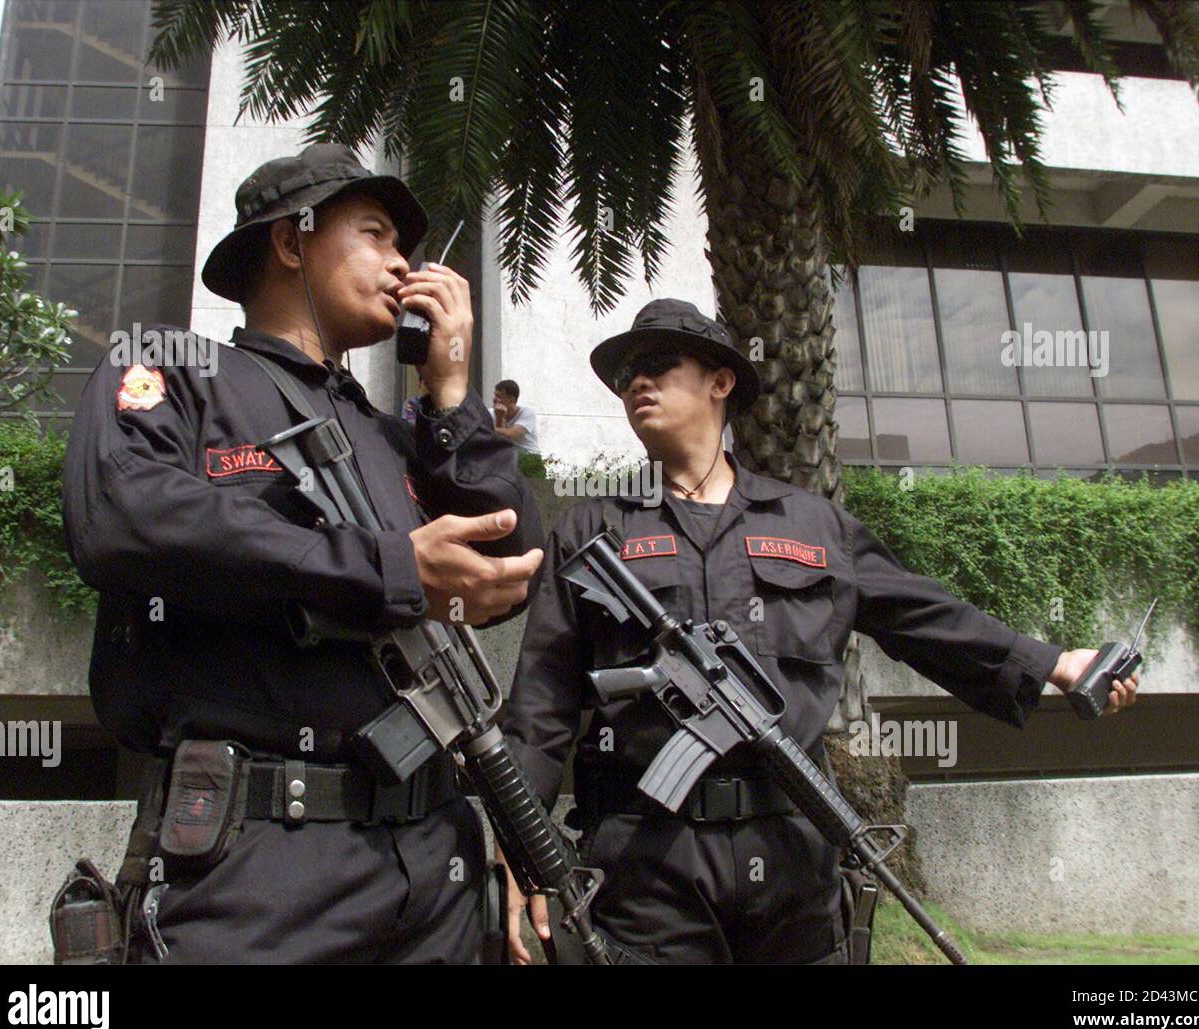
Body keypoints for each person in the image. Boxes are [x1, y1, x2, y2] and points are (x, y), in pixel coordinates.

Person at [499, 298, 1139, 965]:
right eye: (626, 373)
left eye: (658, 364)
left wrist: (1053, 663)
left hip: (793, 857)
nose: (636, 382)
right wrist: (520, 854)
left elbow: (923, 618)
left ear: (721, 382)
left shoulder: (812, 524)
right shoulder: (592, 530)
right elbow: (540, 706)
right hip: (645, 861)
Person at [62, 143, 544, 964]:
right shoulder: (176, 373)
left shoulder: (401, 436)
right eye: (379, 235)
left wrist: (453, 397)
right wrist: (387, 571)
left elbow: (514, 553)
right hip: (259, 868)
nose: (404, 264)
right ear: (293, 241)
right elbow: (124, 513)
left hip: (437, 868)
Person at [492, 379, 540, 456]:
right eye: (495, 395)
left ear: (512, 400)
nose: (494, 399)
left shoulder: (527, 413)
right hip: (507, 460)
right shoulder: (490, 413)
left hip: (528, 459)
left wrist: (499, 419)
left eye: (499, 396)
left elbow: (510, 435)